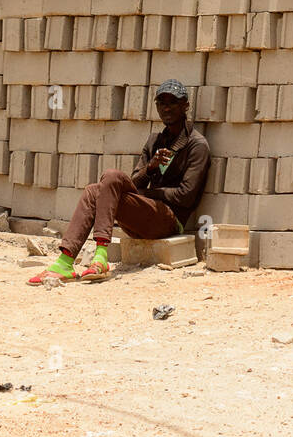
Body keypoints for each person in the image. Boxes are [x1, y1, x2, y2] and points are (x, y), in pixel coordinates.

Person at [28, 79, 210, 285]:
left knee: (98, 188)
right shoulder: (154, 141)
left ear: (186, 105)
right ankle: (68, 262)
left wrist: (147, 194)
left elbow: (185, 197)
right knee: (102, 184)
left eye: (173, 102)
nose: (167, 107)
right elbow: (133, 183)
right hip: (140, 216)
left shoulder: (197, 145)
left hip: (168, 221)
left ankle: (94, 257)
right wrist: (150, 167)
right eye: (162, 102)